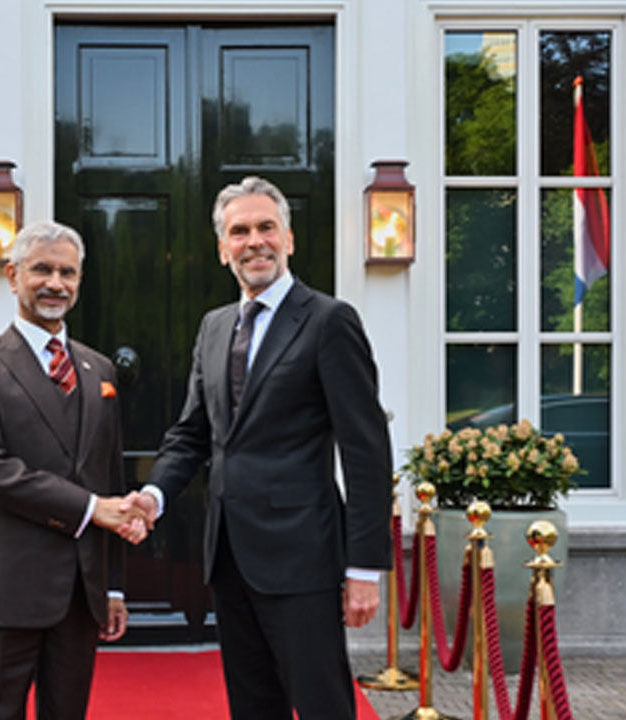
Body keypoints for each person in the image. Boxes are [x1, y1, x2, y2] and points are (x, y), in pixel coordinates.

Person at [126, 176, 393, 719]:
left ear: (288, 239)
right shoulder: (214, 326)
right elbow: (193, 433)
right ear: (223, 248)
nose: (255, 242)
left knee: (323, 705)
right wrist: (154, 495)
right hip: (228, 557)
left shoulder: (328, 321)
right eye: (239, 231)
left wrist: (365, 567)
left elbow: (366, 451)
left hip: (304, 558)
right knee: (253, 706)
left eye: (266, 227)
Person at [0, 220, 146, 720]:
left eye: (68, 272)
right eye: (42, 270)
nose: (56, 283)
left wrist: (114, 587)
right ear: (12, 276)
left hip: (79, 596)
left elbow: (108, 481)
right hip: (0, 590)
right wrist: (89, 509)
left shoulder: (99, 369)